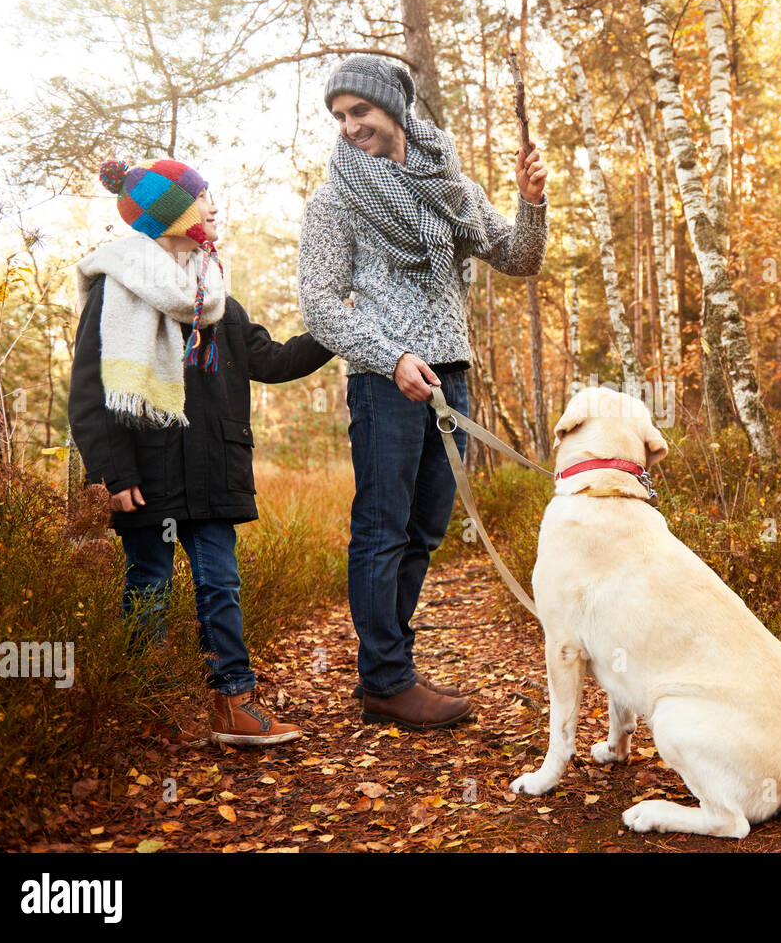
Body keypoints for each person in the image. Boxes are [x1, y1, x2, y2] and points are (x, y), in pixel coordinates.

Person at [298, 55, 549, 730]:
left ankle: (391, 669)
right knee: (381, 532)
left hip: (451, 378)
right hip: (387, 384)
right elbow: (319, 307)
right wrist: (391, 356)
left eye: (362, 112)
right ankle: (385, 679)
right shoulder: (335, 200)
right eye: (340, 117)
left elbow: (518, 258)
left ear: (396, 109)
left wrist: (531, 202)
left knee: (425, 529)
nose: (351, 127)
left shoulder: (451, 186)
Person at [69, 156, 334, 746]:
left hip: (213, 470)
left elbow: (271, 360)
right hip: (147, 473)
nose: (215, 209)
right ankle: (140, 708)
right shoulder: (118, 293)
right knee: (149, 586)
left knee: (220, 585)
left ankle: (234, 706)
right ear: (171, 215)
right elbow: (90, 393)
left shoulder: (216, 298)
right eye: (203, 200)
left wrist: (337, 331)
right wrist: (111, 473)